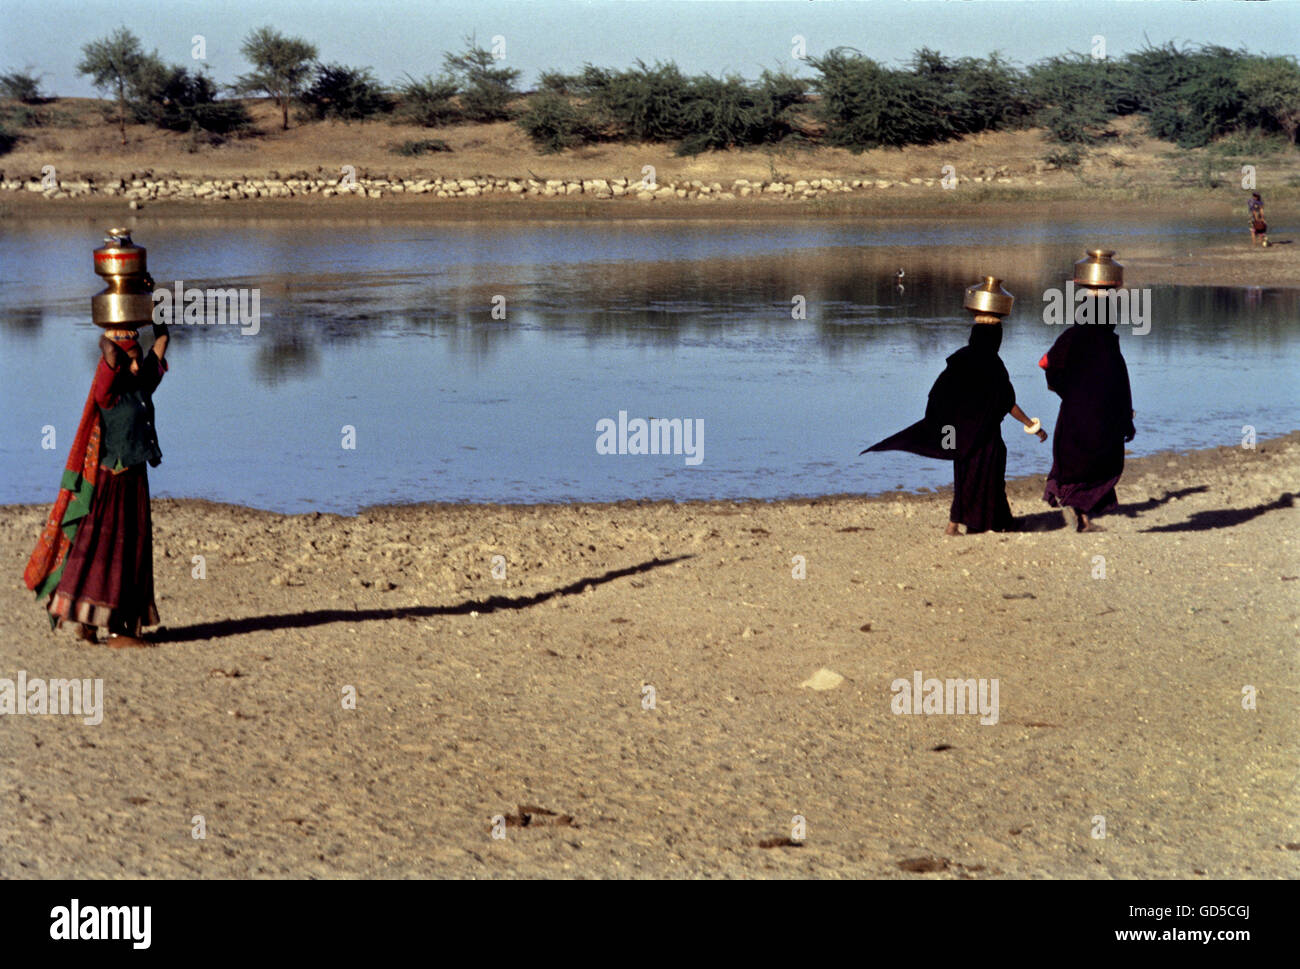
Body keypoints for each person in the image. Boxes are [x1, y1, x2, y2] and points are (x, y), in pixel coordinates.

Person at [24, 323, 170, 645]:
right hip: (111, 484)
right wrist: (112, 336)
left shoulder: (141, 383)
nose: (136, 364)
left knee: (129, 551)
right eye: (130, 359)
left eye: (138, 357)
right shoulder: (108, 391)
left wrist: (152, 305)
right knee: (109, 552)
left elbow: (161, 341)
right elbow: (105, 353)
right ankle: (114, 627)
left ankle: (104, 623)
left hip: (135, 481)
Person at [863, 283, 1047, 535]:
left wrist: (943, 426)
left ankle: (957, 523)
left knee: (965, 477)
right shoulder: (994, 365)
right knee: (991, 478)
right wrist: (1031, 425)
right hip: (985, 437)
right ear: (996, 340)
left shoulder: (960, 359)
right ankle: (997, 522)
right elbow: (1007, 402)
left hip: (960, 434)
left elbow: (939, 395)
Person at [1040, 315, 1134, 533]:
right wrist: (1126, 420)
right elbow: (1121, 385)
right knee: (1101, 463)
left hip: (1074, 412)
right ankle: (1080, 514)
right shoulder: (1109, 345)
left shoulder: (1071, 338)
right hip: (1105, 418)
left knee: (1074, 460)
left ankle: (1076, 508)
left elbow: (1047, 364)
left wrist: (1066, 390)